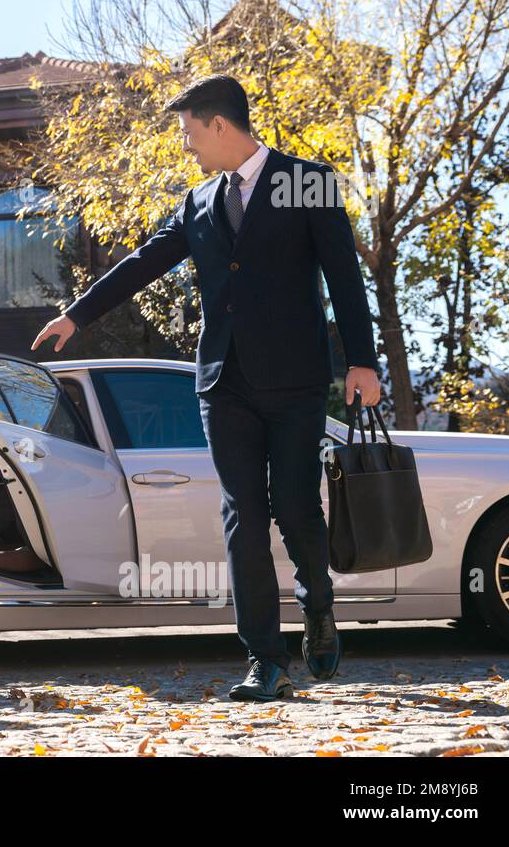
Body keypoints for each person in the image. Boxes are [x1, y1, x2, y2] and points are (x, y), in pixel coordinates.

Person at [32, 74, 382, 702]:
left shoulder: (309, 182)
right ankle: (264, 657)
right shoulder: (197, 201)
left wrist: (363, 361)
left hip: (297, 379)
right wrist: (76, 314)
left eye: (191, 132)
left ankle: (319, 607)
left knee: (297, 507)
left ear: (220, 125)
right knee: (243, 514)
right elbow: (143, 261)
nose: (188, 146)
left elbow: (344, 275)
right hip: (224, 382)